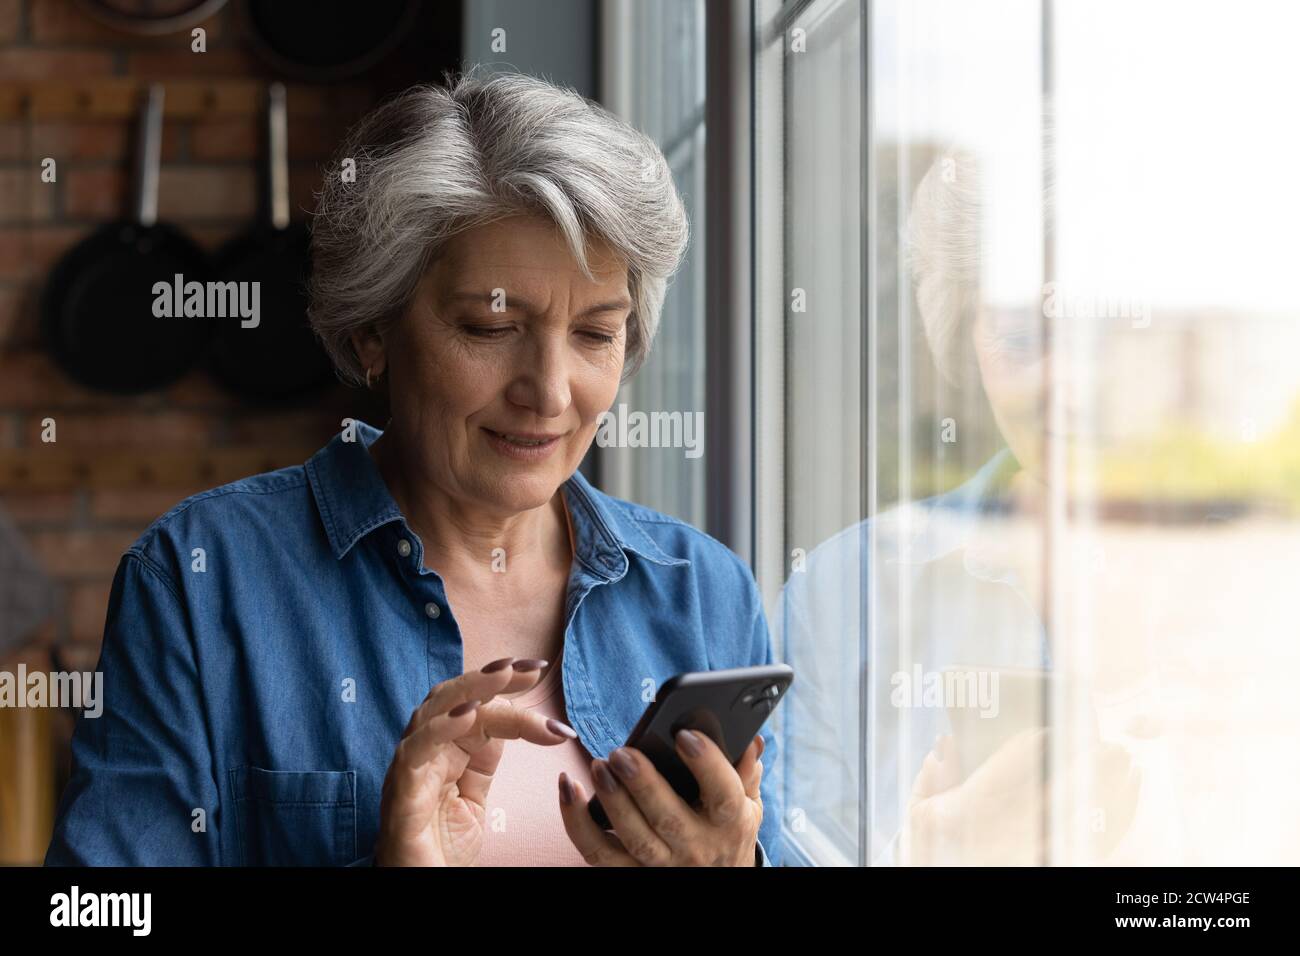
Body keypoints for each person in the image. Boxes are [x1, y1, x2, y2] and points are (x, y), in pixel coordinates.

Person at [45, 68, 780, 867]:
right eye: (490, 327)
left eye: (595, 334)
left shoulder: (703, 591)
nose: (549, 391)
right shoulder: (200, 578)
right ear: (372, 334)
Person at [776, 144, 1139, 865]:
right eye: (1019, 337)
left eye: (1105, 324)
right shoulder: (847, 595)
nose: (1069, 382)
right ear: (967, 341)